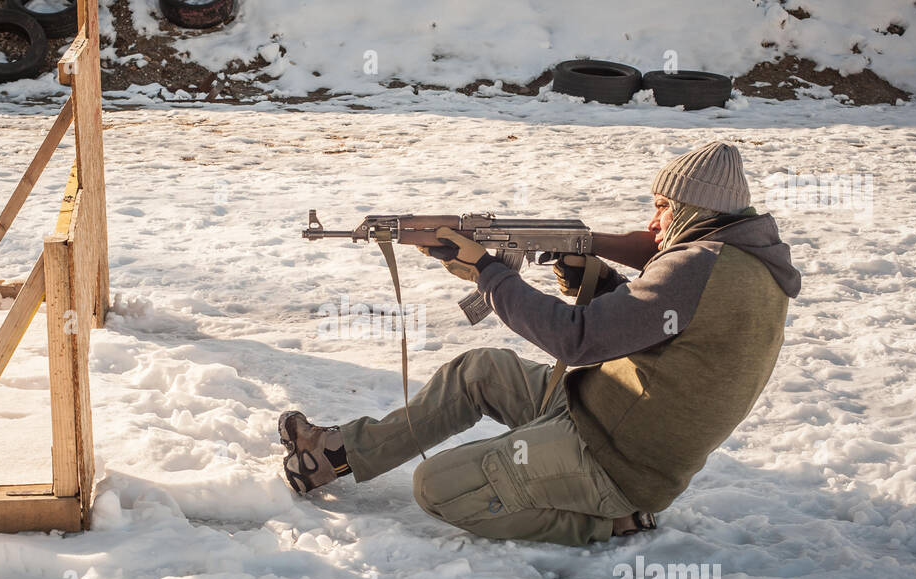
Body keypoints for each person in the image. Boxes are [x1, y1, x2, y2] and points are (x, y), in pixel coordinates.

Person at [278, 141, 802, 546]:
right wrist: (590, 280)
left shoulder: (697, 265)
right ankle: (337, 453)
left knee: (436, 487)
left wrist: (490, 274)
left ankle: (609, 524)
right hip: (600, 412)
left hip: (616, 463)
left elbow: (577, 341)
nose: (652, 223)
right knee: (478, 371)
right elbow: (654, 326)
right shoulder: (740, 265)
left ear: (695, 208)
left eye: (663, 208)